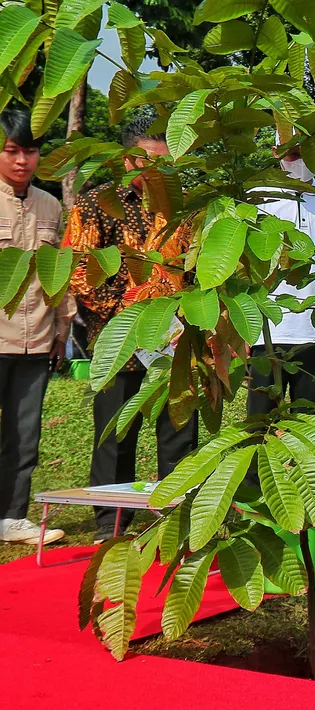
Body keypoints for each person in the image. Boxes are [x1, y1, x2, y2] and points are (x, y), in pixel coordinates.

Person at [64, 116, 196, 542]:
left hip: (175, 342)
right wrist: (130, 315)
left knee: (178, 430)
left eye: (163, 162)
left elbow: (199, 269)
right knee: (115, 432)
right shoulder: (96, 204)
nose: (154, 171)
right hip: (117, 339)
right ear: (125, 160)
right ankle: (110, 526)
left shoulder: (186, 207)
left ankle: (174, 519)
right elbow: (78, 270)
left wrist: (185, 320)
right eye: (145, 162)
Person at [0, 108, 75, 545]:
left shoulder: (51, 205)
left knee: (24, 436)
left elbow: (60, 273)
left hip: (37, 340)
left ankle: (12, 518)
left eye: (29, 150)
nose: (22, 160)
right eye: (11, 150)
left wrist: (63, 332)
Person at [248, 141, 315, 425]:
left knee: (308, 423)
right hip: (266, 332)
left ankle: (302, 470)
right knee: (260, 424)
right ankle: (255, 471)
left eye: (308, 151)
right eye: (293, 153)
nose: (300, 160)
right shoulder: (256, 198)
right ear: (276, 153)